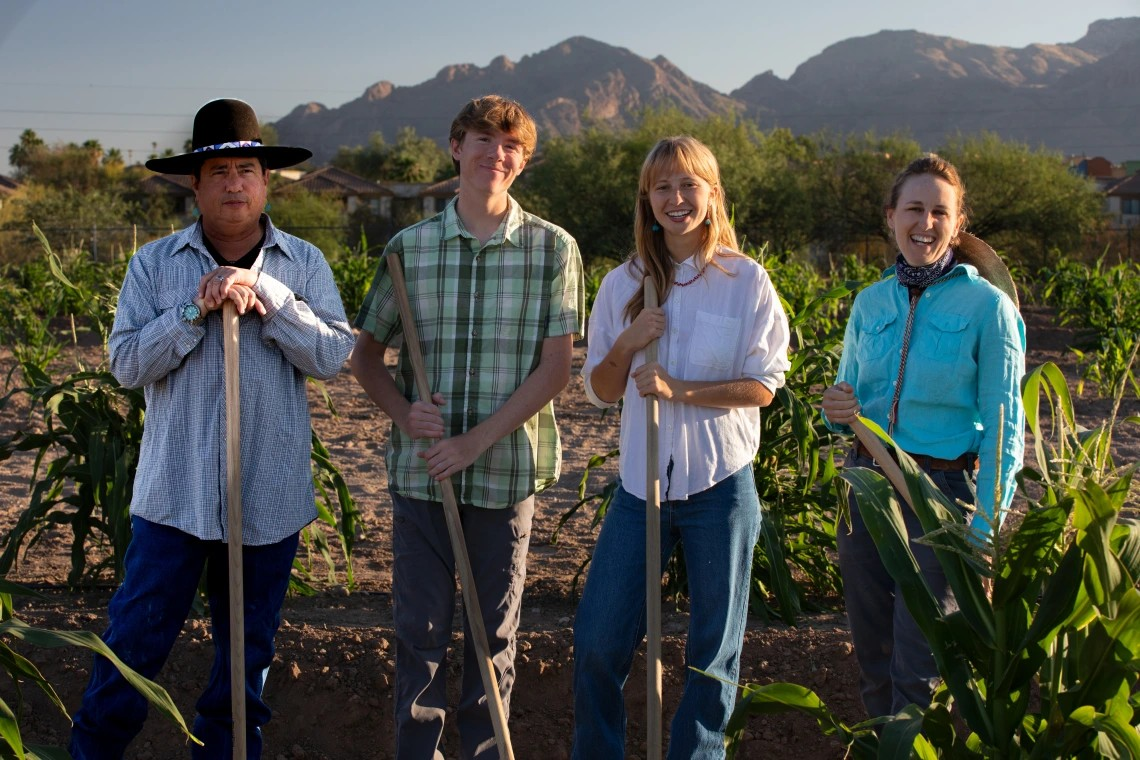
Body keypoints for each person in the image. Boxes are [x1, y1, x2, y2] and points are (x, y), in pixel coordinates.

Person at [68, 98, 354, 759]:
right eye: (219, 170)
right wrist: (191, 313)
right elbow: (126, 365)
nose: (234, 183)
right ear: (194, 185)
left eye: (247, 169)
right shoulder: (155, 264)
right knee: (135, 645)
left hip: (269, 496)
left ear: (265, 181)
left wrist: (273, 301)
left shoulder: (302, 264)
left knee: (245, 658)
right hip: (175, 495)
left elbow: (334, 355)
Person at [350, 94, 585, 760]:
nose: (496, 154)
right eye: (483, 139)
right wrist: (405, 412)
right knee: (419, 635)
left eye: (511, 145)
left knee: (493, 637)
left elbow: (556, 370)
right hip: (422, 478)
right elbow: (366, 357)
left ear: (523, 161)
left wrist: (474, 442)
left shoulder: (552, 250)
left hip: (507, 474)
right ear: (456, 147)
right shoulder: (408, 250)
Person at [571, 135, 791, 759]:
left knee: (713, 655)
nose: (676, 198)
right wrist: (627, 342)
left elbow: (764, 386)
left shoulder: (744, 281)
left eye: (689, 184)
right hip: (641, 489)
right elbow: (602, 389)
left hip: (721, 487)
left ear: (712, 195)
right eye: (662, 187)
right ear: (646, 199)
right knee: (597, 641)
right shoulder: (622, 284)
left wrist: (680, 388)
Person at [820, 153, 1025, 718]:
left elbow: (1006, 429)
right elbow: (846, 399)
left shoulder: (989, 308)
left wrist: (984, 530)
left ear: (958, 225)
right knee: (873, 656)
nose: (925, 223)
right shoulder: (869, 302)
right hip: (864, 490)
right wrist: (835, 407)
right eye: (914, 208)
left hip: (940, 497)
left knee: (921, 663)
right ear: (891, 217)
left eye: (940, 212)